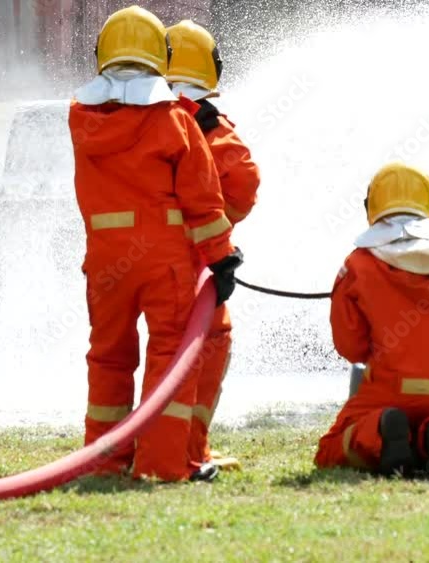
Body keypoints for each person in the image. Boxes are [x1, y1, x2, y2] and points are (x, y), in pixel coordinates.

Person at [70, 5, 243, 482]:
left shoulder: (80, 119)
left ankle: (103, 461)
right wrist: (222, 258)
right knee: (170, 355)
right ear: (160, 57)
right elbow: (203, 200)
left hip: (105, 264)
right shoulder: (176, 121)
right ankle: (163, 465)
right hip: (164, 262)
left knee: (108, 357)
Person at [314, 162, 429, 479]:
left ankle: (383, 430)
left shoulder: (358, 263)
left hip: (387, 389)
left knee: (334, 447)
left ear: (370, 208)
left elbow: (351, 346)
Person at [166, 19, 261, 470]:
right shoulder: (203, 120)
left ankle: (135, 445)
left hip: (133, 256)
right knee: (209, 342)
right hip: (195, 260)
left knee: (145, 350)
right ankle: (185, 449)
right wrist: (216, 234)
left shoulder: (138, 114)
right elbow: (242, 184)